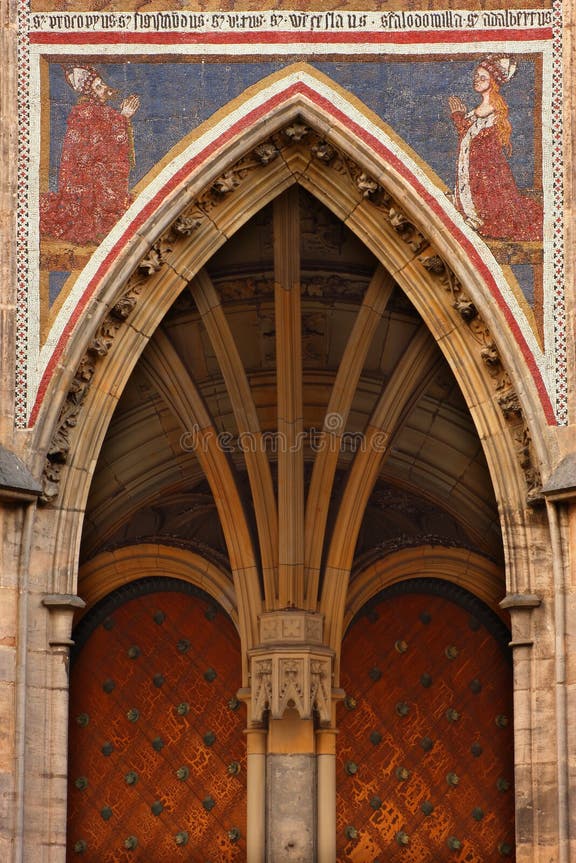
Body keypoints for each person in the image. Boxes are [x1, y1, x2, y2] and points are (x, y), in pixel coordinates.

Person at [40, 65, 140, 246]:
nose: (104, 90)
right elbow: (101, 148)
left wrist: (121, 119)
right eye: (98, 87)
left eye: (102, 85)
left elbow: (103, 145)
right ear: (89, 93)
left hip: (90, 176)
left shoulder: (96, 111)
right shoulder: (87, 112)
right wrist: (123, 117)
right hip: (85, 182)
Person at [448, 55, 542, 242]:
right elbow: (467, 136)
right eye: (476, 76)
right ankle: (472, 214)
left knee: (494, 209)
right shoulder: (476, 110)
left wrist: (460, 119)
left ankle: (478, 217)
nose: (477, 80)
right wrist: (459, 117)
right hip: (472, 167)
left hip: (487, 171)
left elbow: (479, 141)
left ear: (493, 83)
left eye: (483, 77)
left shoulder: (493, 109)